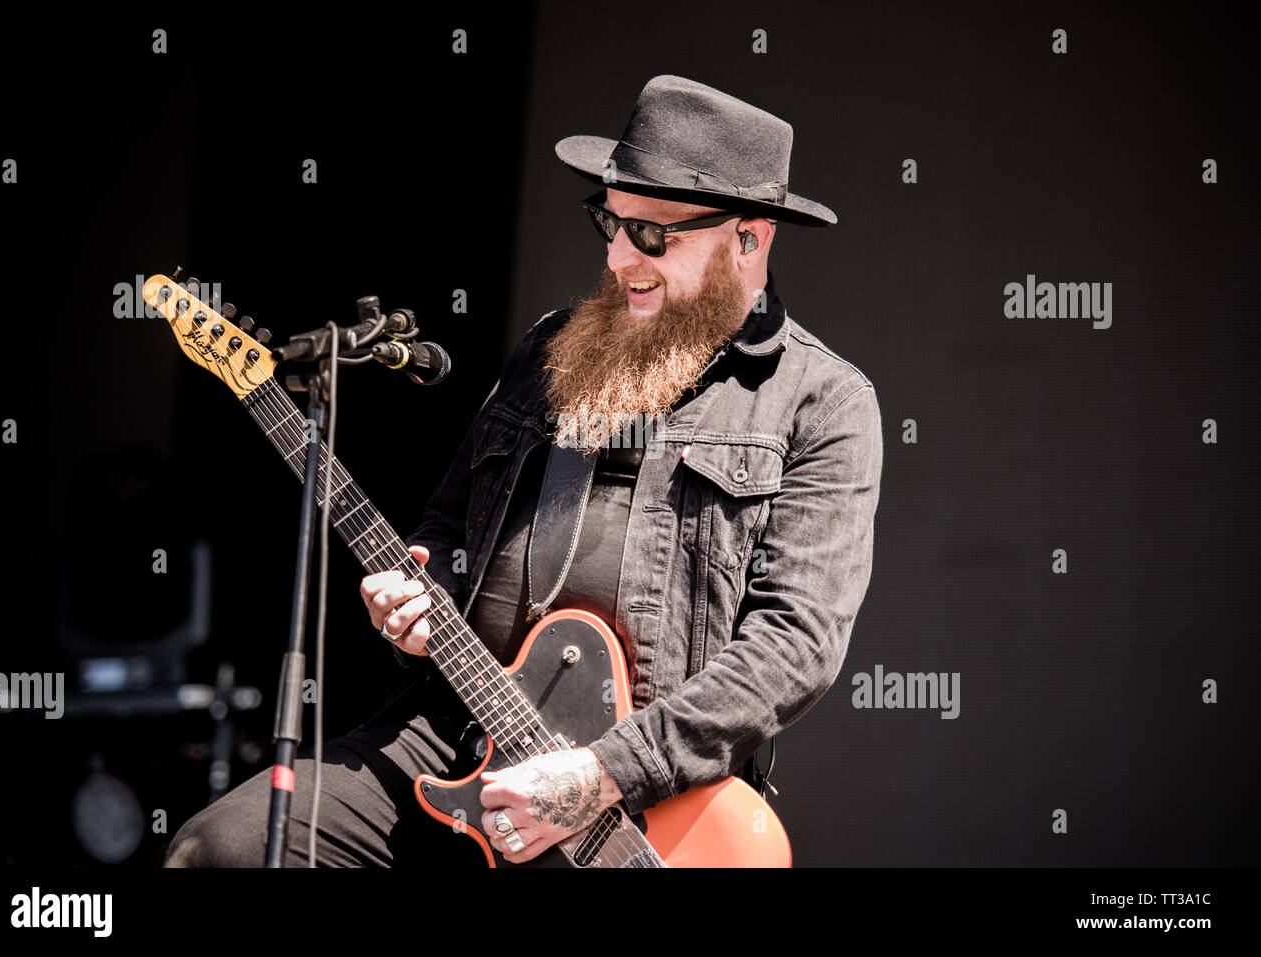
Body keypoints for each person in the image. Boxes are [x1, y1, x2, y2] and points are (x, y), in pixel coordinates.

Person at [164, 74, 883, 868]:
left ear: (749, 239)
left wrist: (600, 774)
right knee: (217, 848)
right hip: (460, 731)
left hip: (649, 796)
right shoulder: (549, 348)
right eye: (609, 220)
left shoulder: (823, 401)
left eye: (652, 235)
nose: (617, 258)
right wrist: (410, 597)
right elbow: (445, 527)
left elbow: (795, 644)